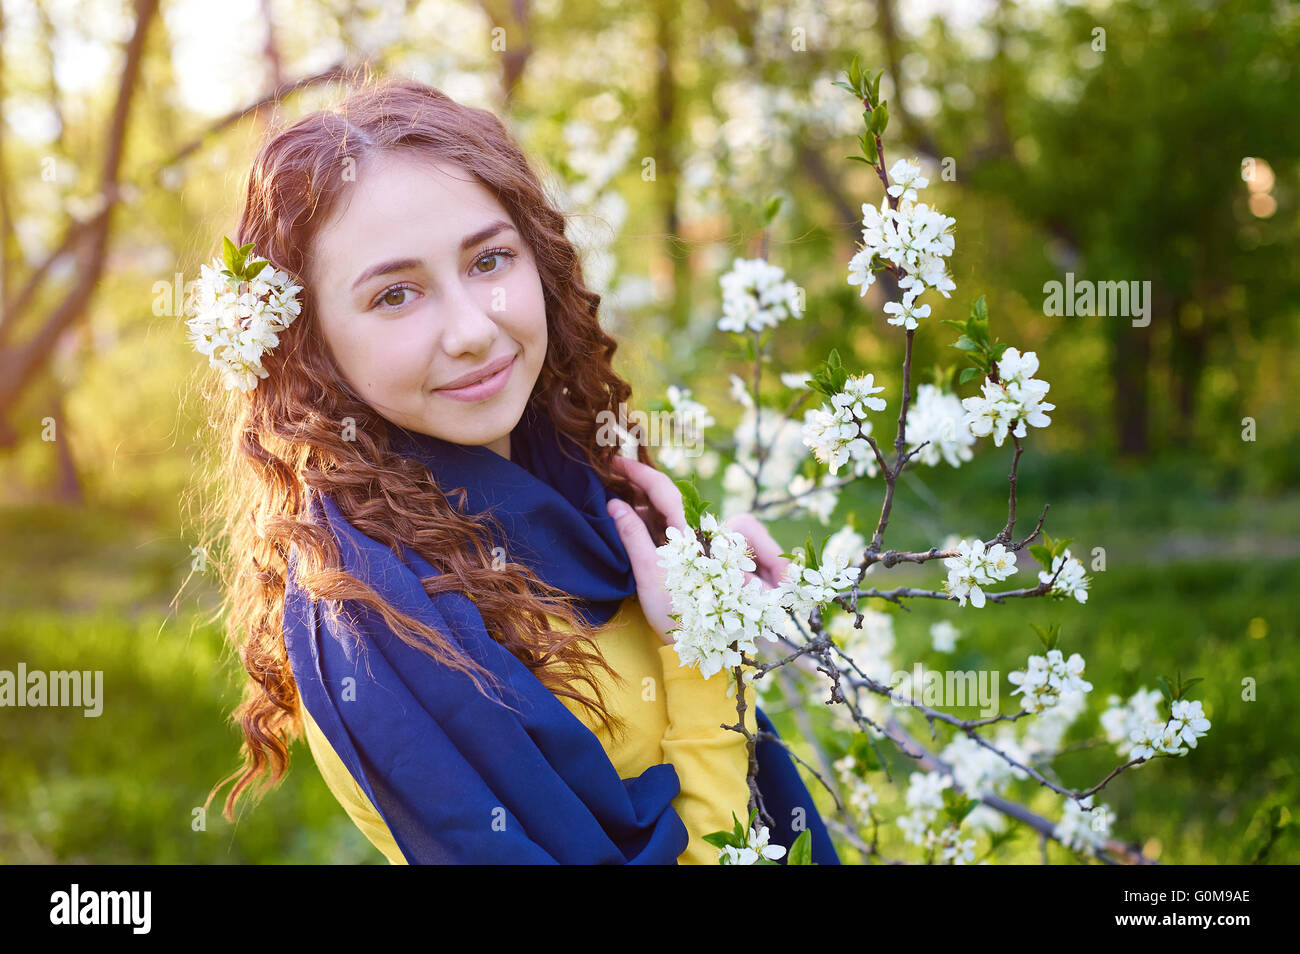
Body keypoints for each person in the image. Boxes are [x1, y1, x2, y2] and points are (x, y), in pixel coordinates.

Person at [194, 74, 840, 864]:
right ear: (313, 347)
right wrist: (700, 654)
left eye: (489, 260)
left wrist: (713, 591)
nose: (471, 329)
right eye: (396, 295)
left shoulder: (581, 477)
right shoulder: (373, 626)